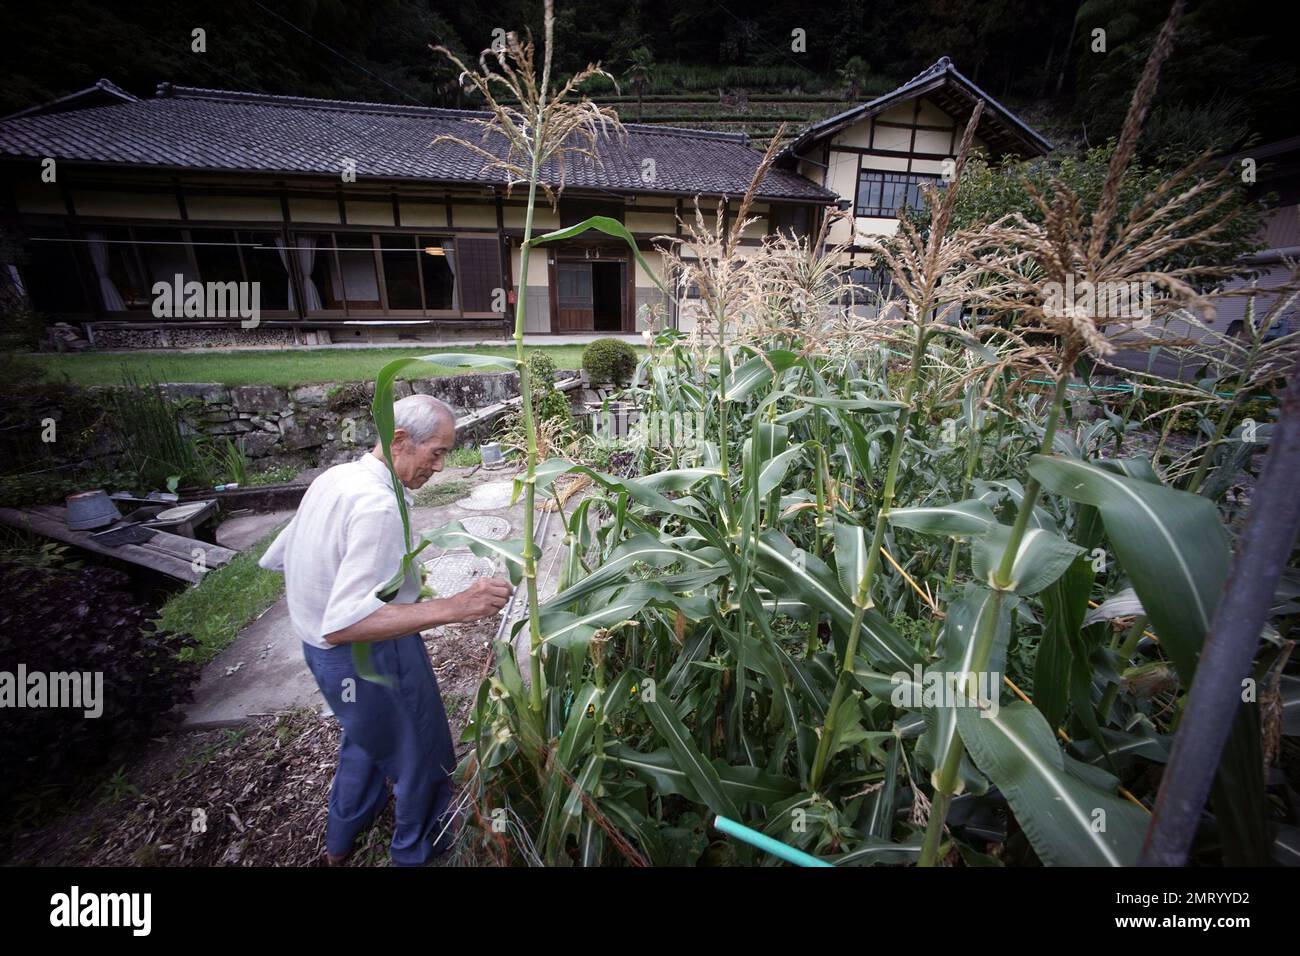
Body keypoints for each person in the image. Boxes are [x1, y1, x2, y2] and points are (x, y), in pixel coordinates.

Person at [258, 394, 512, 865]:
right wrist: (457, 606)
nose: (440, 466)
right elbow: (346, 623)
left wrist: (400, 582)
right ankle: (420, 851)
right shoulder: (379, 507)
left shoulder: (337, 477)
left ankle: (341, 839)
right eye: (436, 452)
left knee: (365, 735)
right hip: (367, 653)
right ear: (399, 441)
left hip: (321, 655)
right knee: (423, 752)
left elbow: (281, 553)